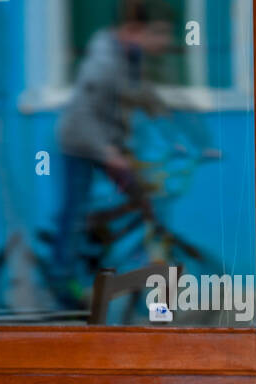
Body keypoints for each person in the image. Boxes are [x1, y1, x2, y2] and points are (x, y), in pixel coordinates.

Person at [51, 0, 174, 309]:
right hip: (80, 143)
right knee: (75, 212)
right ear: (133, 31)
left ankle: (108, 257)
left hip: (106, 142)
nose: (165, 43)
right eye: (157, 34)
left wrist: (175, 126)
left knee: (139, 197)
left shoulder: (130, 57)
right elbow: (81, 117)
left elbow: (142, 93)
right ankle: (63, 283)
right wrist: (106, 152)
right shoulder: (103, 63)